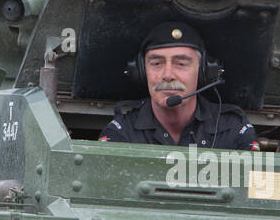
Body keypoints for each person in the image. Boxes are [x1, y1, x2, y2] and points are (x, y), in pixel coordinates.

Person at [99, 21, 259, 149]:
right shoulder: (121, 130)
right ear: (141, 72)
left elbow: (263, 187)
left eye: (181, 64)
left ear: (204, 72)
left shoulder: (233, 129)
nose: (167, 75)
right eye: (156, 63)